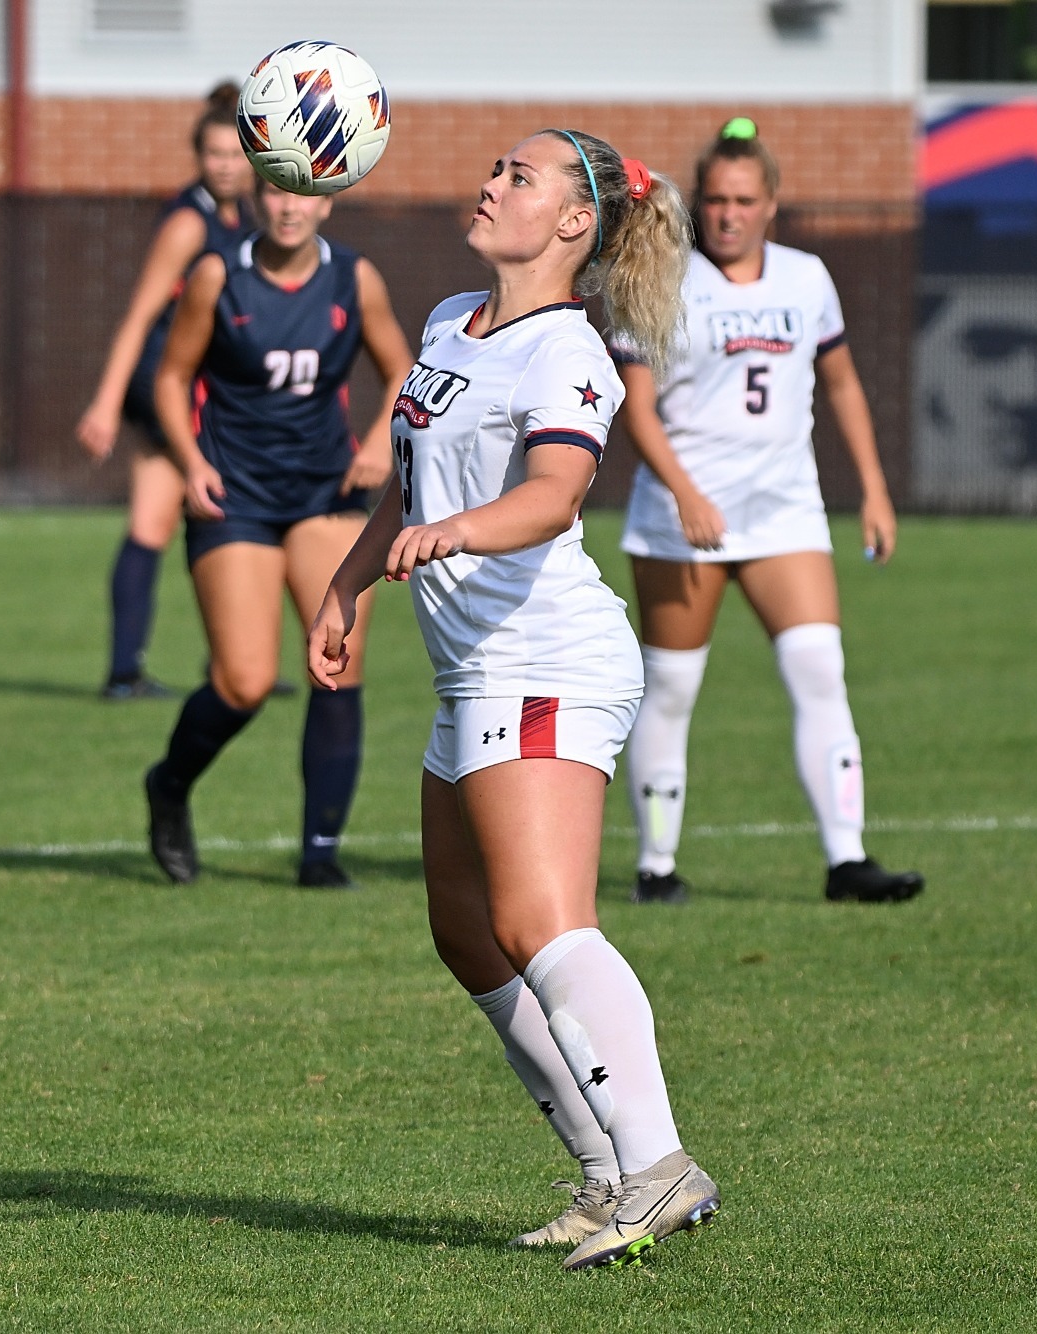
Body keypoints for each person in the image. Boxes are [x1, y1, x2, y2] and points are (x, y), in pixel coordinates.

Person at [310, 131, 718, 1270]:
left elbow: (548, 494)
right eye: (492, 168)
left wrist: (458, 531)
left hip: (546, 659)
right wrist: (347, 587)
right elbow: (409, 487)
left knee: (542, 921)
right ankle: (604, 1174)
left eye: (518, 177)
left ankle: (659, 1162)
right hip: (470, 670)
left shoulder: (568, 351)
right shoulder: (448, 321)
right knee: (467, 935)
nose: (488, 186)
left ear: (573, 223)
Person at [615, 119, 924, 906]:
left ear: (771, 204)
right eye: (714, 199)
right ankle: (656, 867)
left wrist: (875, 490)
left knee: (821, 668)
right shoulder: (661, 274)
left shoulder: (806, 278)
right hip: (683, 517)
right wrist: (685, 491)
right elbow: (636, 408)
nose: (727, 214)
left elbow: (844, 383)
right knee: (674, 686)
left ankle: (847, 861)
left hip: (786, 509)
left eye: (744, 200)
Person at [142, 171, 413, 890]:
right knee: (245, 681)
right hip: (237, 496)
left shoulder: (355, 279)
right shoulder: (216, 275)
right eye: (279, 190)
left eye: (307, 193)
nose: (292, 206)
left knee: (336, 667)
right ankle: (168, 786)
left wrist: (381, 444)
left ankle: (319, 854)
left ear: (329, 200)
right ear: (259, 198)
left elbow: (401, 372)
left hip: (326, 492)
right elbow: (171, 377)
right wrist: (189, 459)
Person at [77, 83, 259, 700]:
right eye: (213, 155)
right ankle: (142, 671)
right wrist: (105, 402)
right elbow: (139, 315)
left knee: (195, 517)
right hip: (169, 388)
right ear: (199, 158)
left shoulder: (244, 217)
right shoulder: (189, 221)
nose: (226, 166)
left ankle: (224, 664)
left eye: (235, 154)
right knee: (175, 518)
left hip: (207, 392)